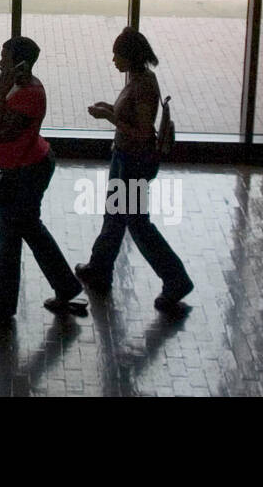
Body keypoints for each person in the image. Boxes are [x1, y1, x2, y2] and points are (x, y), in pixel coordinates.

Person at [0, 36, 85, 326]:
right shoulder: (24, 87)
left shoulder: (26, 93)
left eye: (3, 57)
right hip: (29, 166)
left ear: (19, 61)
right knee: (31, 230)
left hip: (25, 172)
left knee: (8, 239)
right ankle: (66, 286)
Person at [77, 27, 194, 312]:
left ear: (129, 57)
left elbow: (142, 132)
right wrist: (111, 110)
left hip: (133, 161)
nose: (113, 61)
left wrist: (109, 118)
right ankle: (99, 268)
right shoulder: (140, 79)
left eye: (117, 55)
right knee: (115, 216)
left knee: (137, 224)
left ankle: (175, 279)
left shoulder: (142, 86)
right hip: (125, 158)